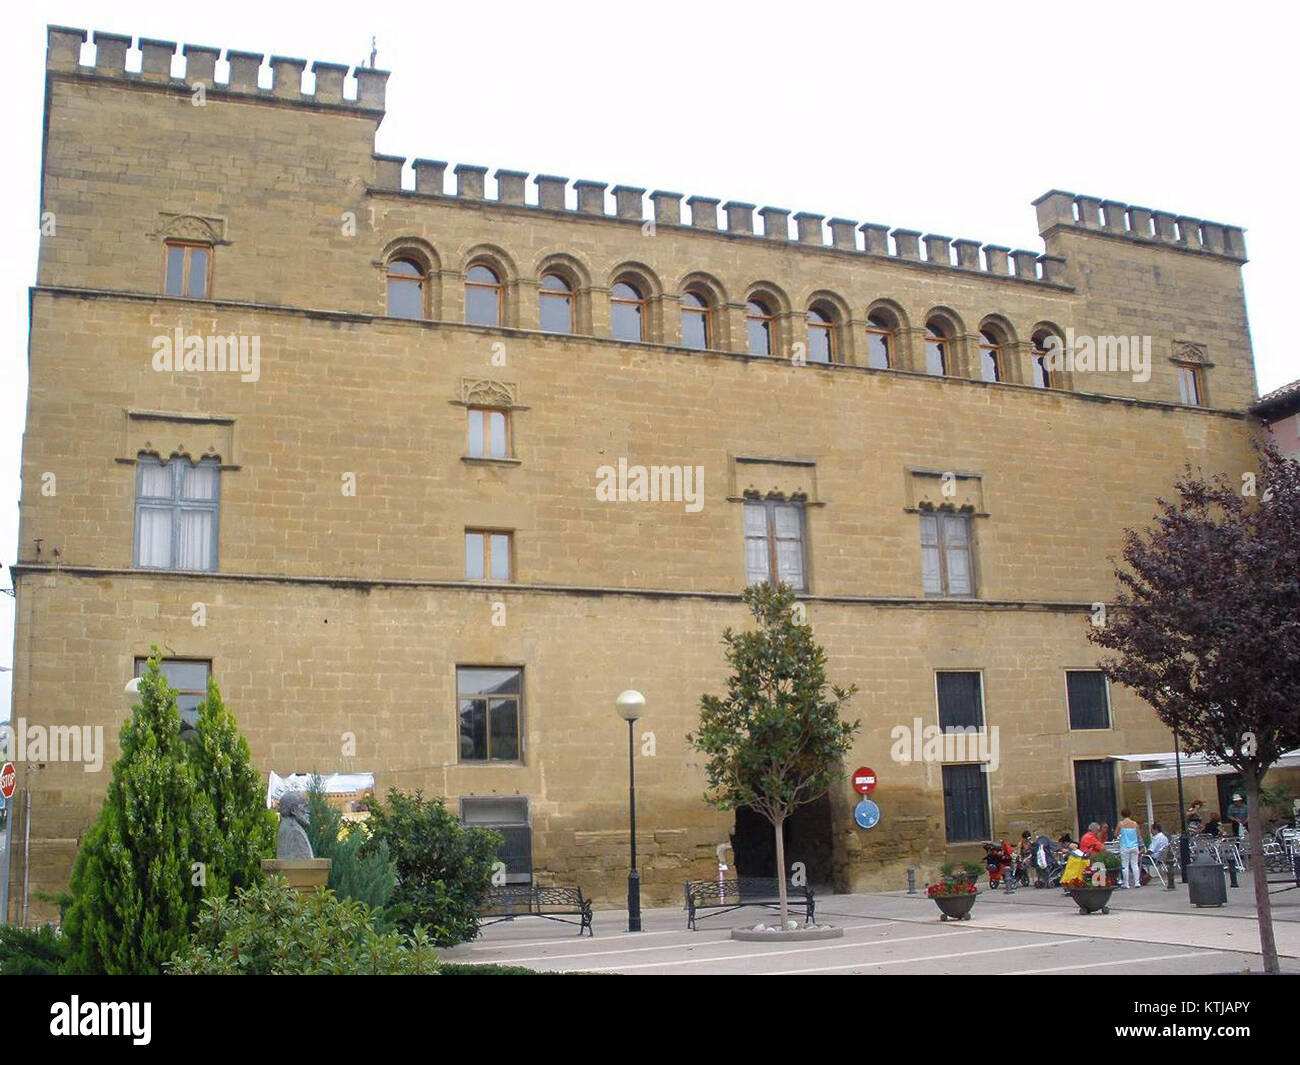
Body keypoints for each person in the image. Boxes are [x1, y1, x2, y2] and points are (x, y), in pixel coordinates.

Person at [1117, 808, 1141, 888]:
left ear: (1122, 815)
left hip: (1125, 846)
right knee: (1135, 864)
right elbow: (1138, 835)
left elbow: (1116, 834)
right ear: (1130, 814)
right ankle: (1137, 882)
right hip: (1134, 846)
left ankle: (1126, 883)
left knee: (1125, 865)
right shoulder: (1135, 824)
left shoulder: (1121, 824)